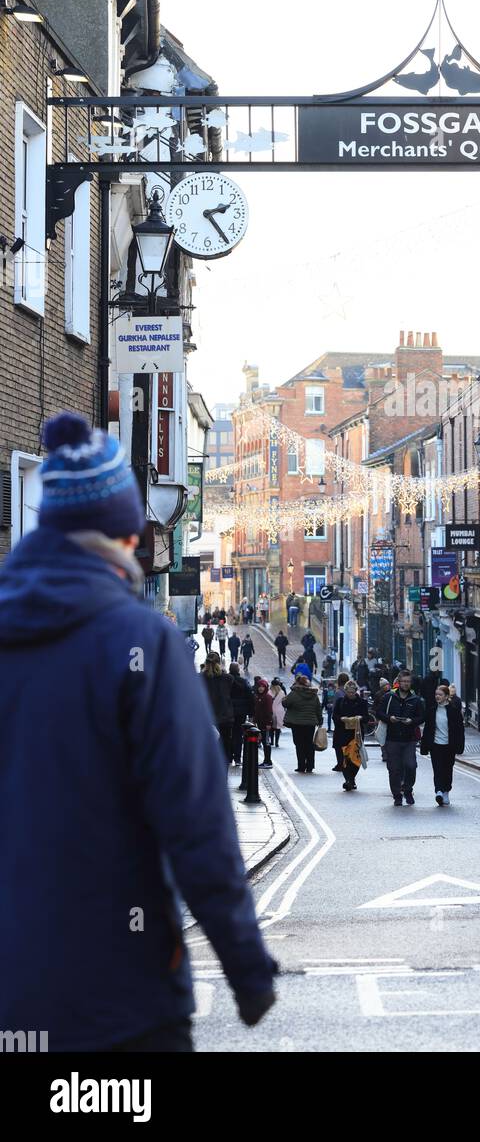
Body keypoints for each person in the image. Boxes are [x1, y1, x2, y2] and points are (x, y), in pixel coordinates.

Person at [0, 411, 276, 1051]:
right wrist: (247, 968)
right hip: (122, 1004)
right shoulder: (141, 644)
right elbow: (196, 821)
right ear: (121, 537)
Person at [378, 670, 426, 805]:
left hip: (409, 739)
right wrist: (390, 718)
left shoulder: (415, 700)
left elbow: (422, 717)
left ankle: (408, 790)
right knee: (394, 769)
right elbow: (379, 713)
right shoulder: (389, 697)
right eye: (403, 681)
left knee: (411, 766)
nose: (406, 684)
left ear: (411, 683)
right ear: (398, 682)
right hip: (392, 739)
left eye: (408, 681)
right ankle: (397, 795)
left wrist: (412, 721)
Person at [421, 683, 465, 806]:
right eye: (436, 694)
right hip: (436, 745)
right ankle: (438, 791)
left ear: (446, 696)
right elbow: (427, 729)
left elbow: (459, 730)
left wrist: (460, 746)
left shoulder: (454, 711)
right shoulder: (431, 710)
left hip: (449, 745)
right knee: (437, 769)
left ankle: (446, 791)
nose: (437, 696)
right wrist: (424, 746)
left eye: (440, 694)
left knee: (447, 769)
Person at [332, 678, 370, 790]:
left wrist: (361, 717)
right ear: (345, 691)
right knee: (344, 758)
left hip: (356, 734)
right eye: (348, 692)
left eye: (352, 692)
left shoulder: (362, 703)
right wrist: (342, 719)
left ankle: (351, 778)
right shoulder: (340, 702)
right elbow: (335, 716)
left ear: (356, 691)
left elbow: (366, 718)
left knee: (355, 758)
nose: (350, 694)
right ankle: (348, 780)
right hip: (342, 733)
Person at [282, 671, 323, 773]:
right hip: (310, 723)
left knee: (299, 745)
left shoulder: (294, 693)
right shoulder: (313, 695)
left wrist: (284, 698)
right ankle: (310, 766)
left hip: (297, 724)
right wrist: (320, 719)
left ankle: (301, 766)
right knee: (309, 744)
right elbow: (318, 708)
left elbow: (285, 703)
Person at [202, 651, 234, 764]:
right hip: (224, 718)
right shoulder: (228, 679)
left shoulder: (199, 678)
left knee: (206, 752)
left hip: (206, 720)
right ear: (219, 663)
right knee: (224, 752)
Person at [230, 662, 254, 766]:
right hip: (241, 712)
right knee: (238, 734)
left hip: (228, 711)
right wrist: (251, 712)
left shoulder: (227, 681)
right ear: (238, 670)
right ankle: (238, 758)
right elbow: (250, 697)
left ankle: (229, 756)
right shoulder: (244, 682)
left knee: (228, 734)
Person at [253, 678, 275, 768]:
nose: (261, 688)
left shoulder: (267, 697)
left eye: (263, 687)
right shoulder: (257, 696)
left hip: (265, 723)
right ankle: (266, 760)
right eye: (259, 686)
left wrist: (269, 723)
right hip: (260, 723)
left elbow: (269, 711)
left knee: (266, 742)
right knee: (263, 742)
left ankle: (268, 761)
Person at [270, 680, 286, 748]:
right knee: (278, 728)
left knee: (271, 728)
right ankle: (277, 742)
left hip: (271, 710)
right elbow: (284, 702)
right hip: (280, 711)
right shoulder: (282, 692)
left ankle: (272, 741)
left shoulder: (270, 692)